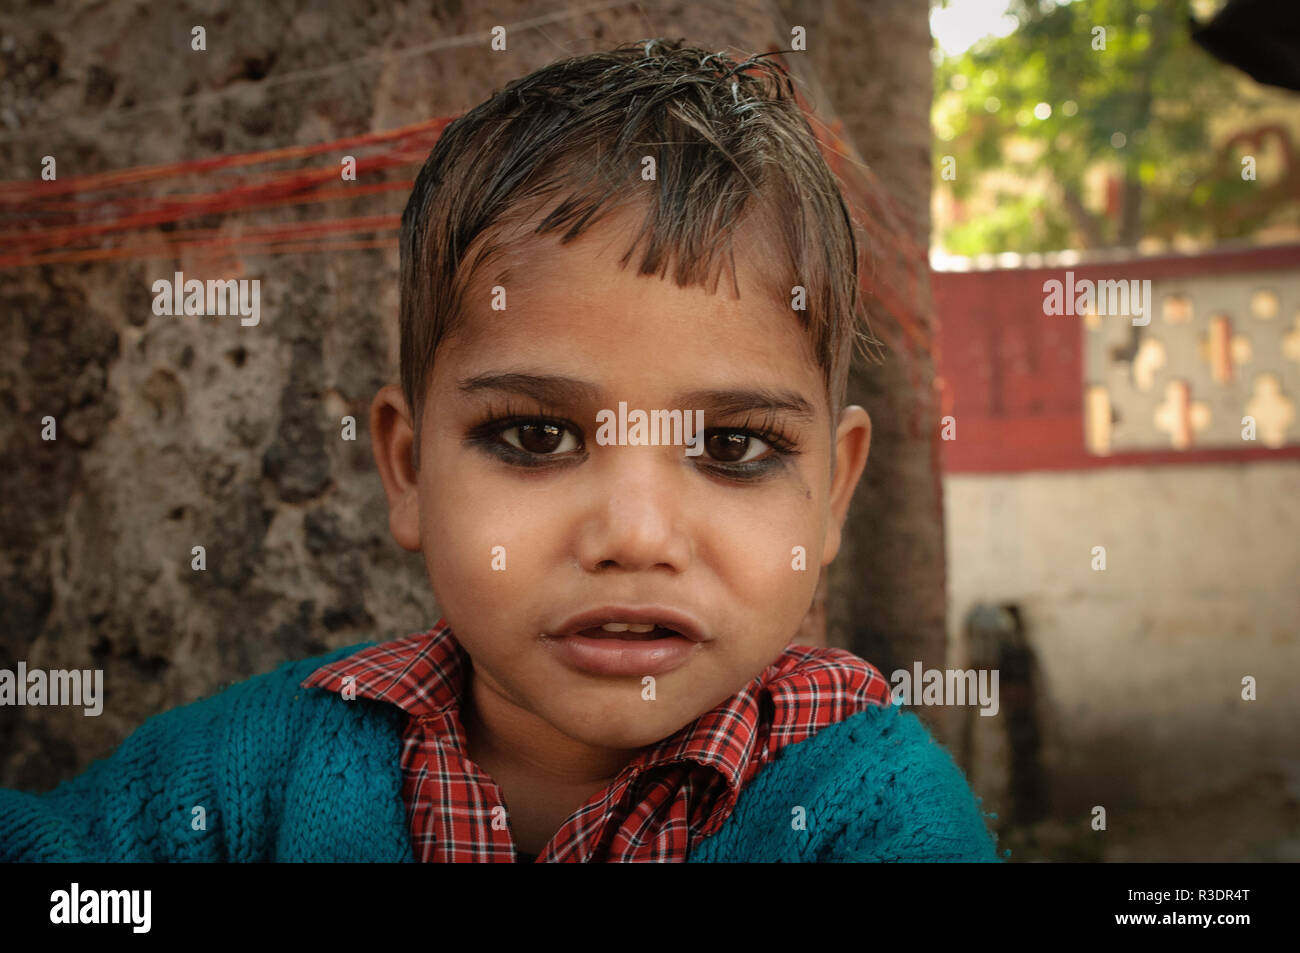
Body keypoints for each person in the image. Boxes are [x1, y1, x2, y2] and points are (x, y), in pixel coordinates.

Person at [0, 38, 1001, 863]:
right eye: (534, 435)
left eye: (733, 445)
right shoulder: (254, 771)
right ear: (406, 467)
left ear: (833, 494)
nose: (634, 535)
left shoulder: (877, 813)